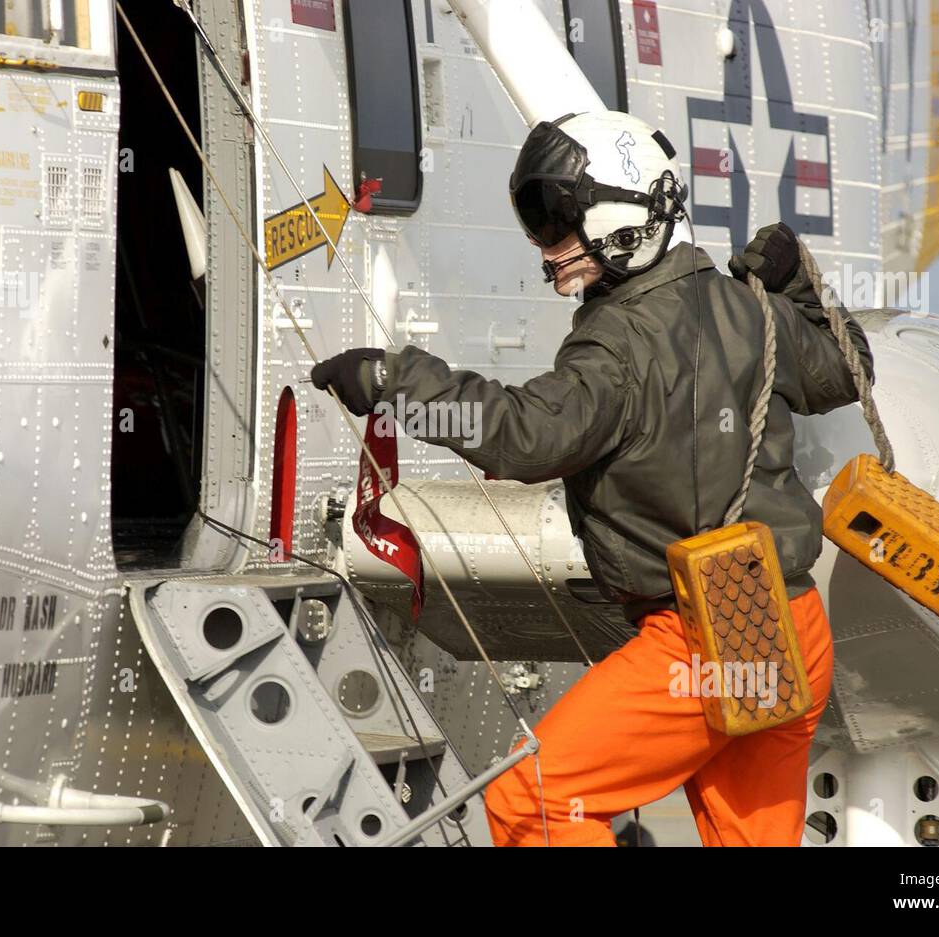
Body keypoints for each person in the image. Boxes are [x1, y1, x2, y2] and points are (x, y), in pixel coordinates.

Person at [311, 111, 874, 846]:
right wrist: (795, 281)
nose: (546, 249)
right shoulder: (750, 307)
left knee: (533, 801)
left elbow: (524, 438)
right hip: (786, 627)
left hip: (702, 640)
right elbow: (847, 367)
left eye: (557, 223)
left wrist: (392, 383)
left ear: (622, 218)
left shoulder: (619, 343)